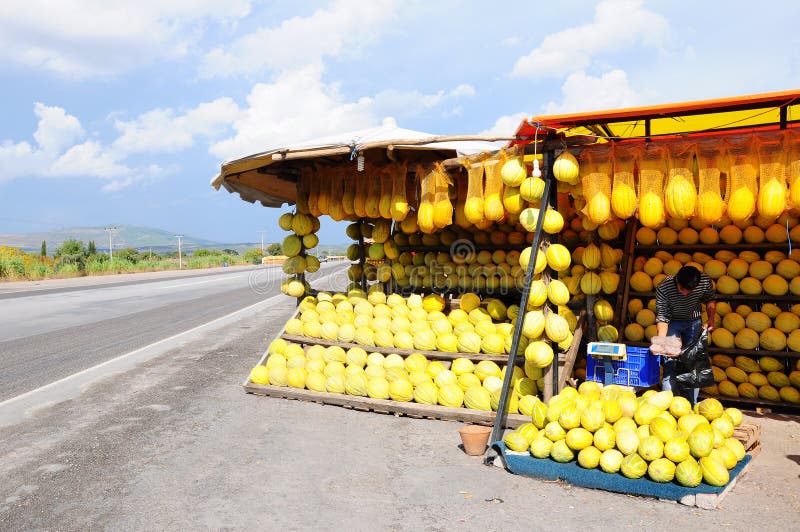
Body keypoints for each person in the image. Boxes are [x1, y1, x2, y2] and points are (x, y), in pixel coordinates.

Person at [654, 265, 716, 404]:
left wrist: (711, 318)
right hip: (672, 322)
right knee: (669, 363)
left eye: (690, 291)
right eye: (682, 289)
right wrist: (663, 342)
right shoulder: (664, 287)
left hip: (694, 321)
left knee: (692, 364)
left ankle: (690, 405)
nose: (685, 294)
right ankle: (668, 406)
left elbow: (710, 299)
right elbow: (663, 317)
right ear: (677, 280)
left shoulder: (704, 281)